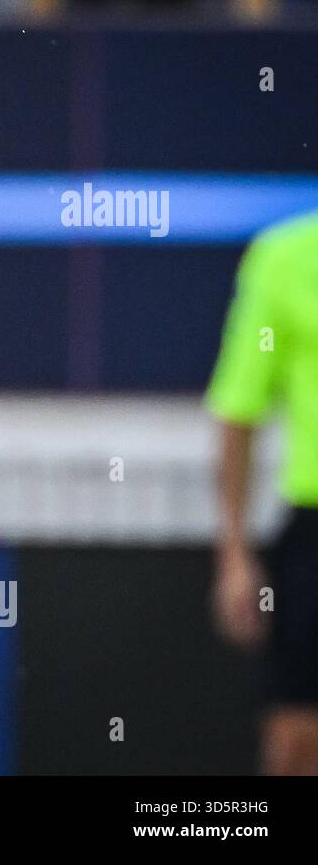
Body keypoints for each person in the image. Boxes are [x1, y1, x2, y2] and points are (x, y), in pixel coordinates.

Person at [207, 209, 318, 775]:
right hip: (312, 533)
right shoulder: (286, 255)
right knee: (297, 738)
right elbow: (238, 412)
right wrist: (234, 555)